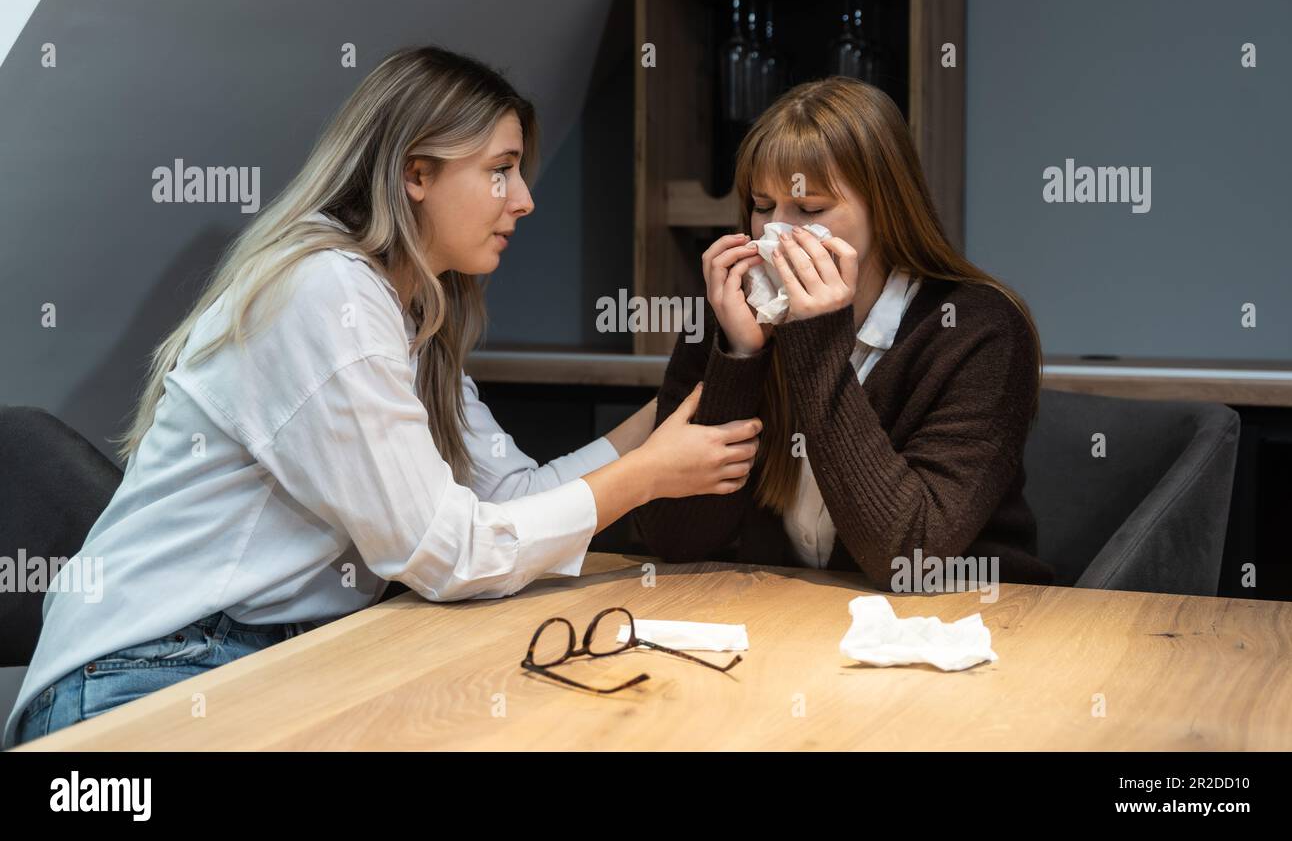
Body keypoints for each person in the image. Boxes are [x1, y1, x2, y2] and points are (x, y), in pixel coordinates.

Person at [4, 45, 761, 748]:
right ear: (415, 174)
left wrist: (680, 408)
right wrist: (646, 476)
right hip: (136, 679)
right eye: (501, 170)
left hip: (261, 666)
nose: (525, 199)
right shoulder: (327, 292)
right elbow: (447, 551)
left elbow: (513, 499)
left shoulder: (408, 318)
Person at [632, 76, 1055, 591]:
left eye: (809, 210)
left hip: (971, 623)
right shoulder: (730, 313)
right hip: (798, 624)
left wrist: (816, 344)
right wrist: (740, 358)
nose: (774, 234)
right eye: (762, 206)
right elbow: (676, 540)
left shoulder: (978, 331)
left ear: (887, 209)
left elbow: (909, 556)